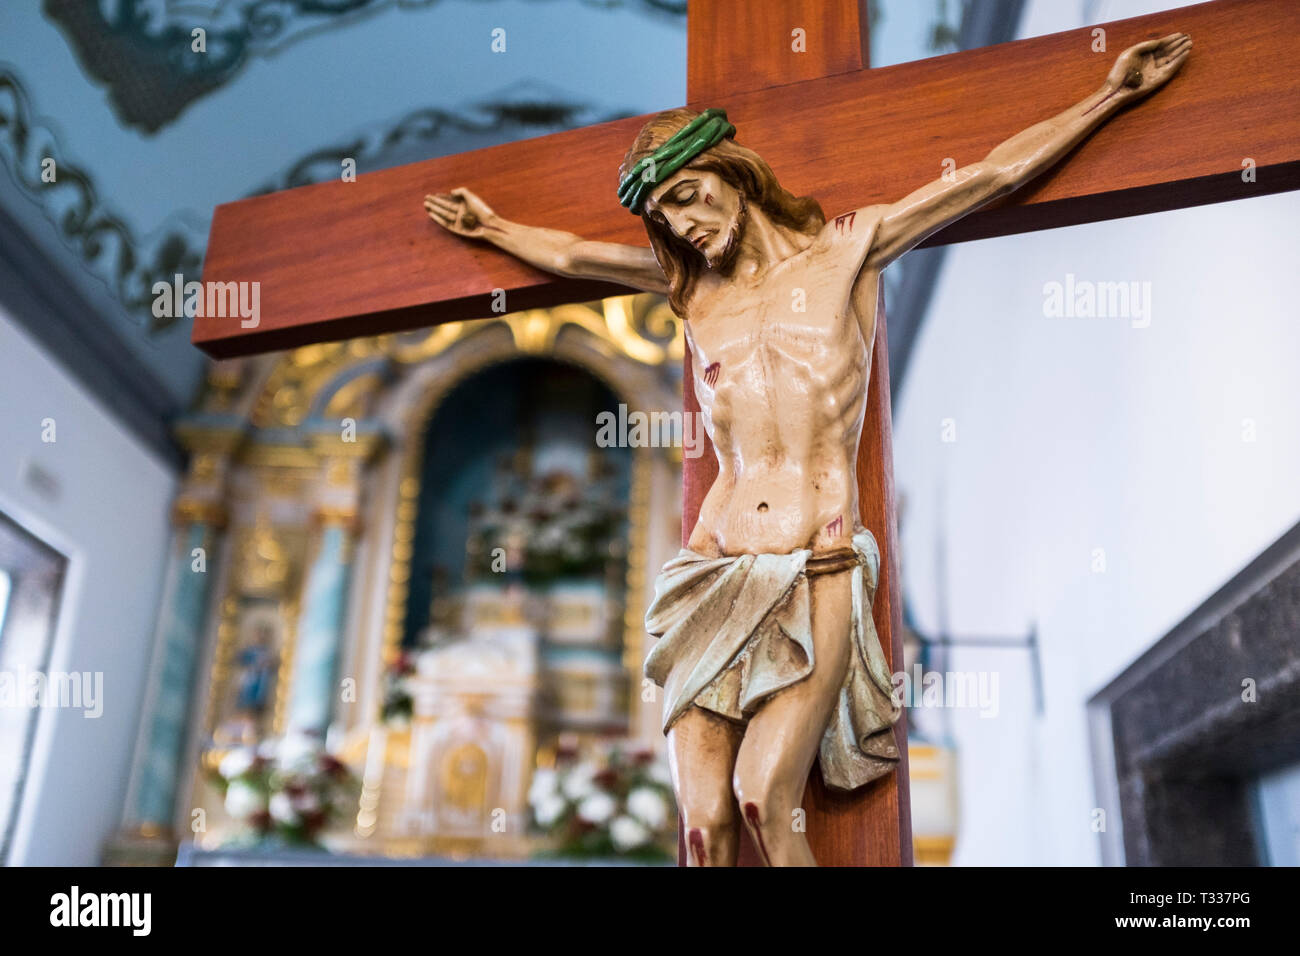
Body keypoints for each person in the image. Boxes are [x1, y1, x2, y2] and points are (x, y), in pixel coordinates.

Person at [424, 33, 1190, 865]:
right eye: (664, 216)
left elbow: (992, 176)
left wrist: (1112, 95)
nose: (683, 224)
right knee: (700, 825)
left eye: (689, 195)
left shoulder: (848, 249)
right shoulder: (692, 297)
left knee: (764, 796)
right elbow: (575, 255)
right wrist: (493, 226)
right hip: (713, 561)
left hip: (816, 560)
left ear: (735, 174)